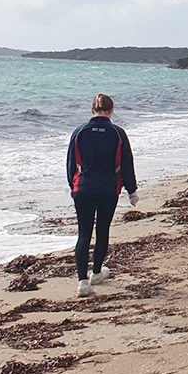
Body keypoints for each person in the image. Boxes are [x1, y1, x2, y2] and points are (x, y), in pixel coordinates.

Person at [65, 93, 138, 297]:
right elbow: (126, 164)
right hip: (108, 189)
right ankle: (96, 272)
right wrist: (132, 191)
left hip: (83, 188)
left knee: (84, 233)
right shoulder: (118, 133)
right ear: (111, 111)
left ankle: (82, 282)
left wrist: (73, 186)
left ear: (92, 110)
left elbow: (71, 164)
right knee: (103, 230)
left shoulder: (79, 132)